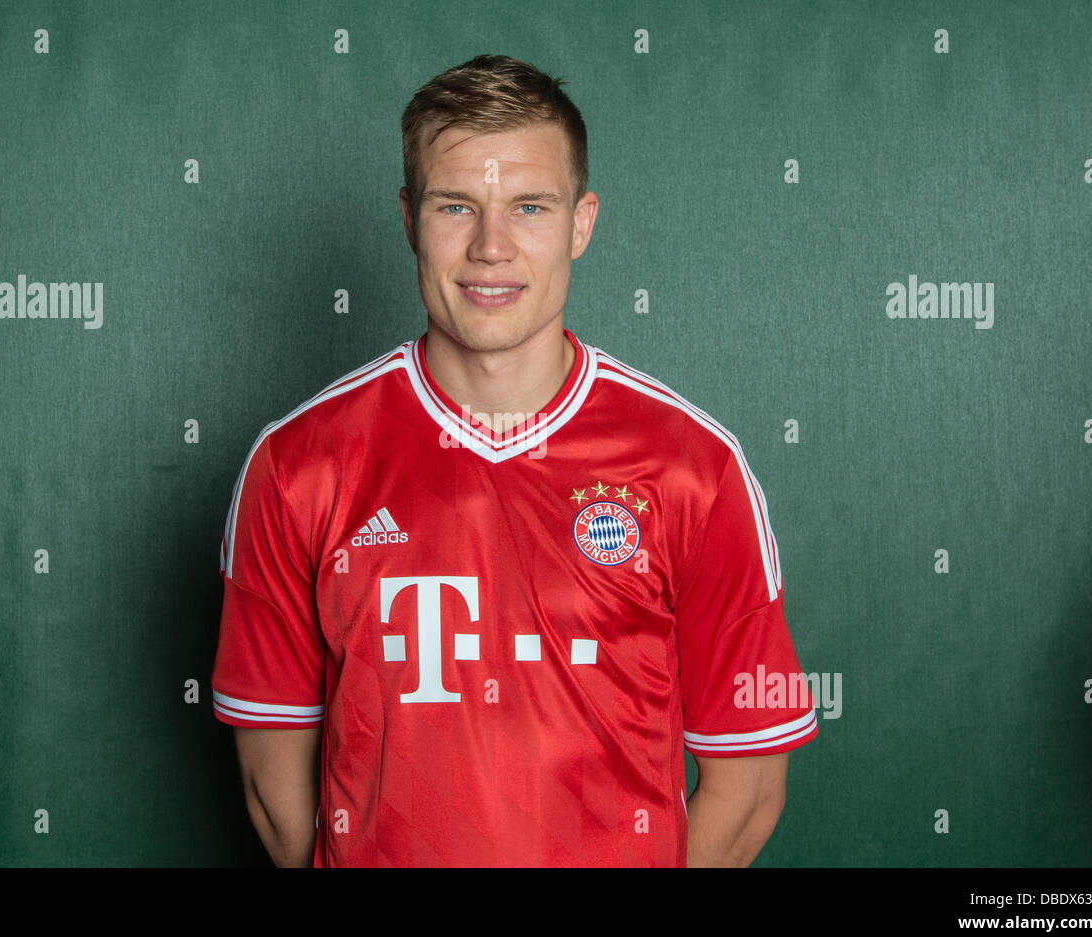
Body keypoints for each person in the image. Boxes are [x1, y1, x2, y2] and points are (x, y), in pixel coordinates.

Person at [211, 54, 817, 867]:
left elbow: (747, 790)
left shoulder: (693, 469)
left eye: (529, 206)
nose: (491, 247)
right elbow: (278, 803)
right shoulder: (298, 466)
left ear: (582, 222)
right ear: (407, 218)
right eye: (456, 205)